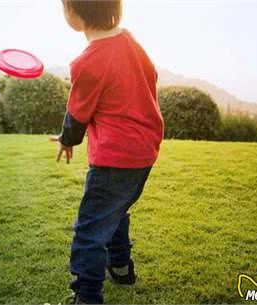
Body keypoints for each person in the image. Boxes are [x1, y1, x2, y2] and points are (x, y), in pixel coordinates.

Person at [52, 0, 164, 303]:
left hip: (115, 156)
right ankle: (120, 267)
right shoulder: (130, 41)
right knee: (115, 210)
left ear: (75, 13)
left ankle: (87, 296)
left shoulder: (87, 62)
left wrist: (67, 139)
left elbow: (77, 112)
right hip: (144, 152)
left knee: (89, 230)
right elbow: (150, 80)